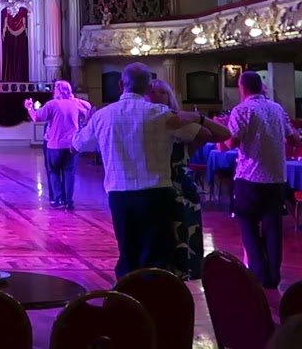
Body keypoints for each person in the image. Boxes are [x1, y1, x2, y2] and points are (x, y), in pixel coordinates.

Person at [71, 63, 204, 278]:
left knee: (128, 253)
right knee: (155, 257)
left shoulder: (104, 115)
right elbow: (198, 133)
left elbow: (77, 145)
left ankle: (127, 301)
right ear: (148, 87)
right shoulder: (162, 113)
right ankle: (153, 304)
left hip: (120, 194)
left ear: (121, 84)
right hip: (157, 194)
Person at [147, 79, 231, 280]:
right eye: (151, 91)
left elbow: (224, 134)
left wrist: (198, 118)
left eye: (162, 92)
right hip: (153, 189)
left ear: (170, 97)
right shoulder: (144, 122)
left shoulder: (182, 124)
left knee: (183, 242)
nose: (156, 95)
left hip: (181, 190)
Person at [225, 70, 295, 289]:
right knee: (273, 227)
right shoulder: (277, 109)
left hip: (250, 177)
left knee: (248, 225)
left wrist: (222, 127)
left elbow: (231, 143)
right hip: (276, 177)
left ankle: (258, 273)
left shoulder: (241, 110)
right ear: (261, 87)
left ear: (242, 87)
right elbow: (294, 137)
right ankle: (273, 276)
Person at [29, 81, 89, 210]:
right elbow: (88, 107)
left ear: (57, 90)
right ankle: (68, 201)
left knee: (54, 171)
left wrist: (29, 107)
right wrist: (74, 99)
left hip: (55, 145)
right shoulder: (76, 103)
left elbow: (36, 118)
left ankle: (58, 199)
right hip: (72, 145)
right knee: (69, 172)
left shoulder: (52, 104)